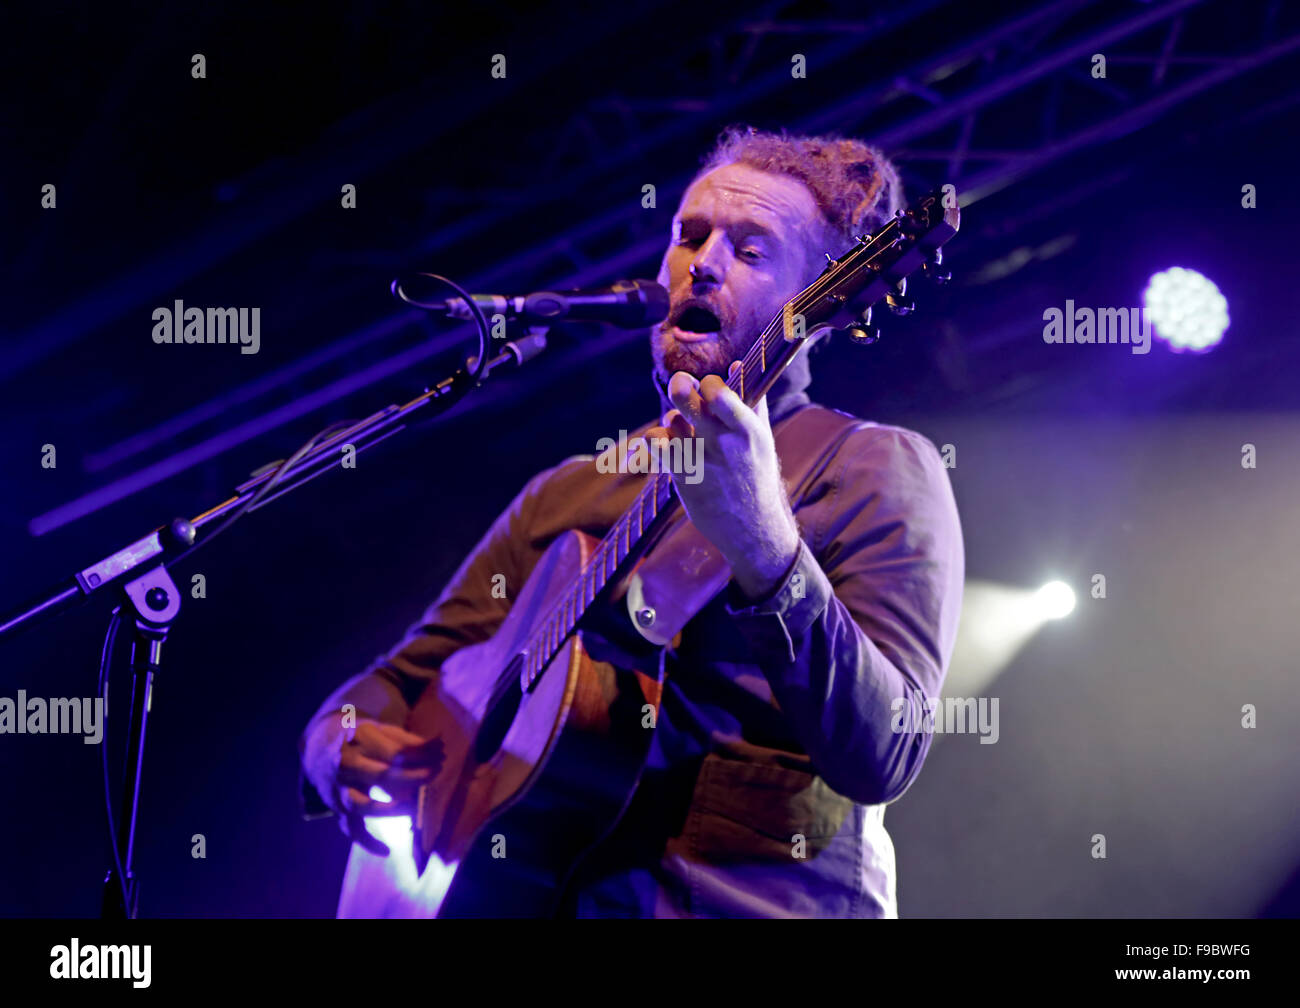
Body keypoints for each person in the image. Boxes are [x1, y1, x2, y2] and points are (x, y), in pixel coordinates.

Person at [298, 126, 965, 918]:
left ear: (816, 302)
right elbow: (401, 677)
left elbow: (885, 750)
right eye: (689, 236)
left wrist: (766, 547)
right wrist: (332, 742)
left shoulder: (870, 467)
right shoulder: (566, 492)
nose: (704, 262)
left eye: (751, 251)